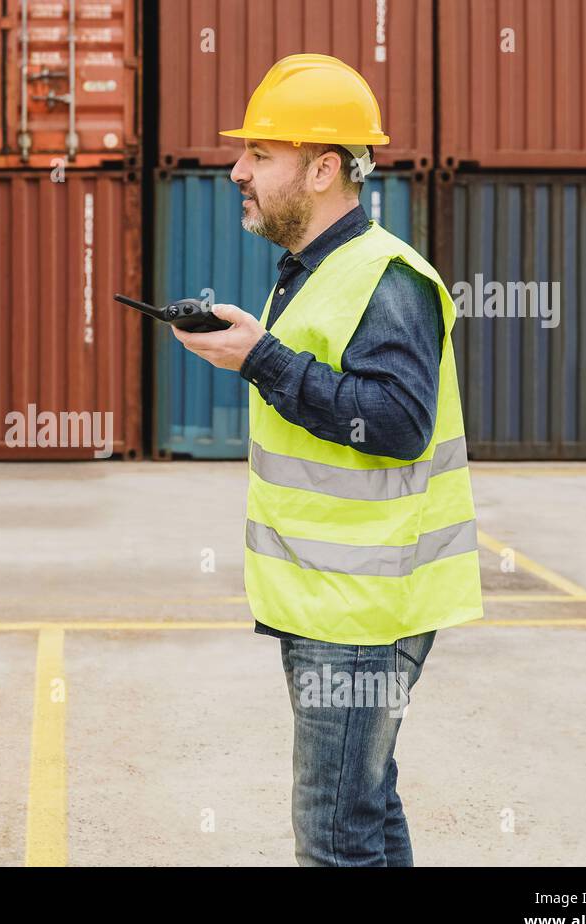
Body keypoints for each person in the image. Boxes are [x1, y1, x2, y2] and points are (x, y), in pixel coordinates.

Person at [171, 54, 483, 866]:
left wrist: (262, 361)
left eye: (259, 156)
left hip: (361, 613)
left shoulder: (384, 278)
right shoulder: (313, 270)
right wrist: (259, 353)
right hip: (333, 599)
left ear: (322, 169)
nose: (236, 170)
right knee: (365, 810)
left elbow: (399, 422)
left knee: (334, 838)